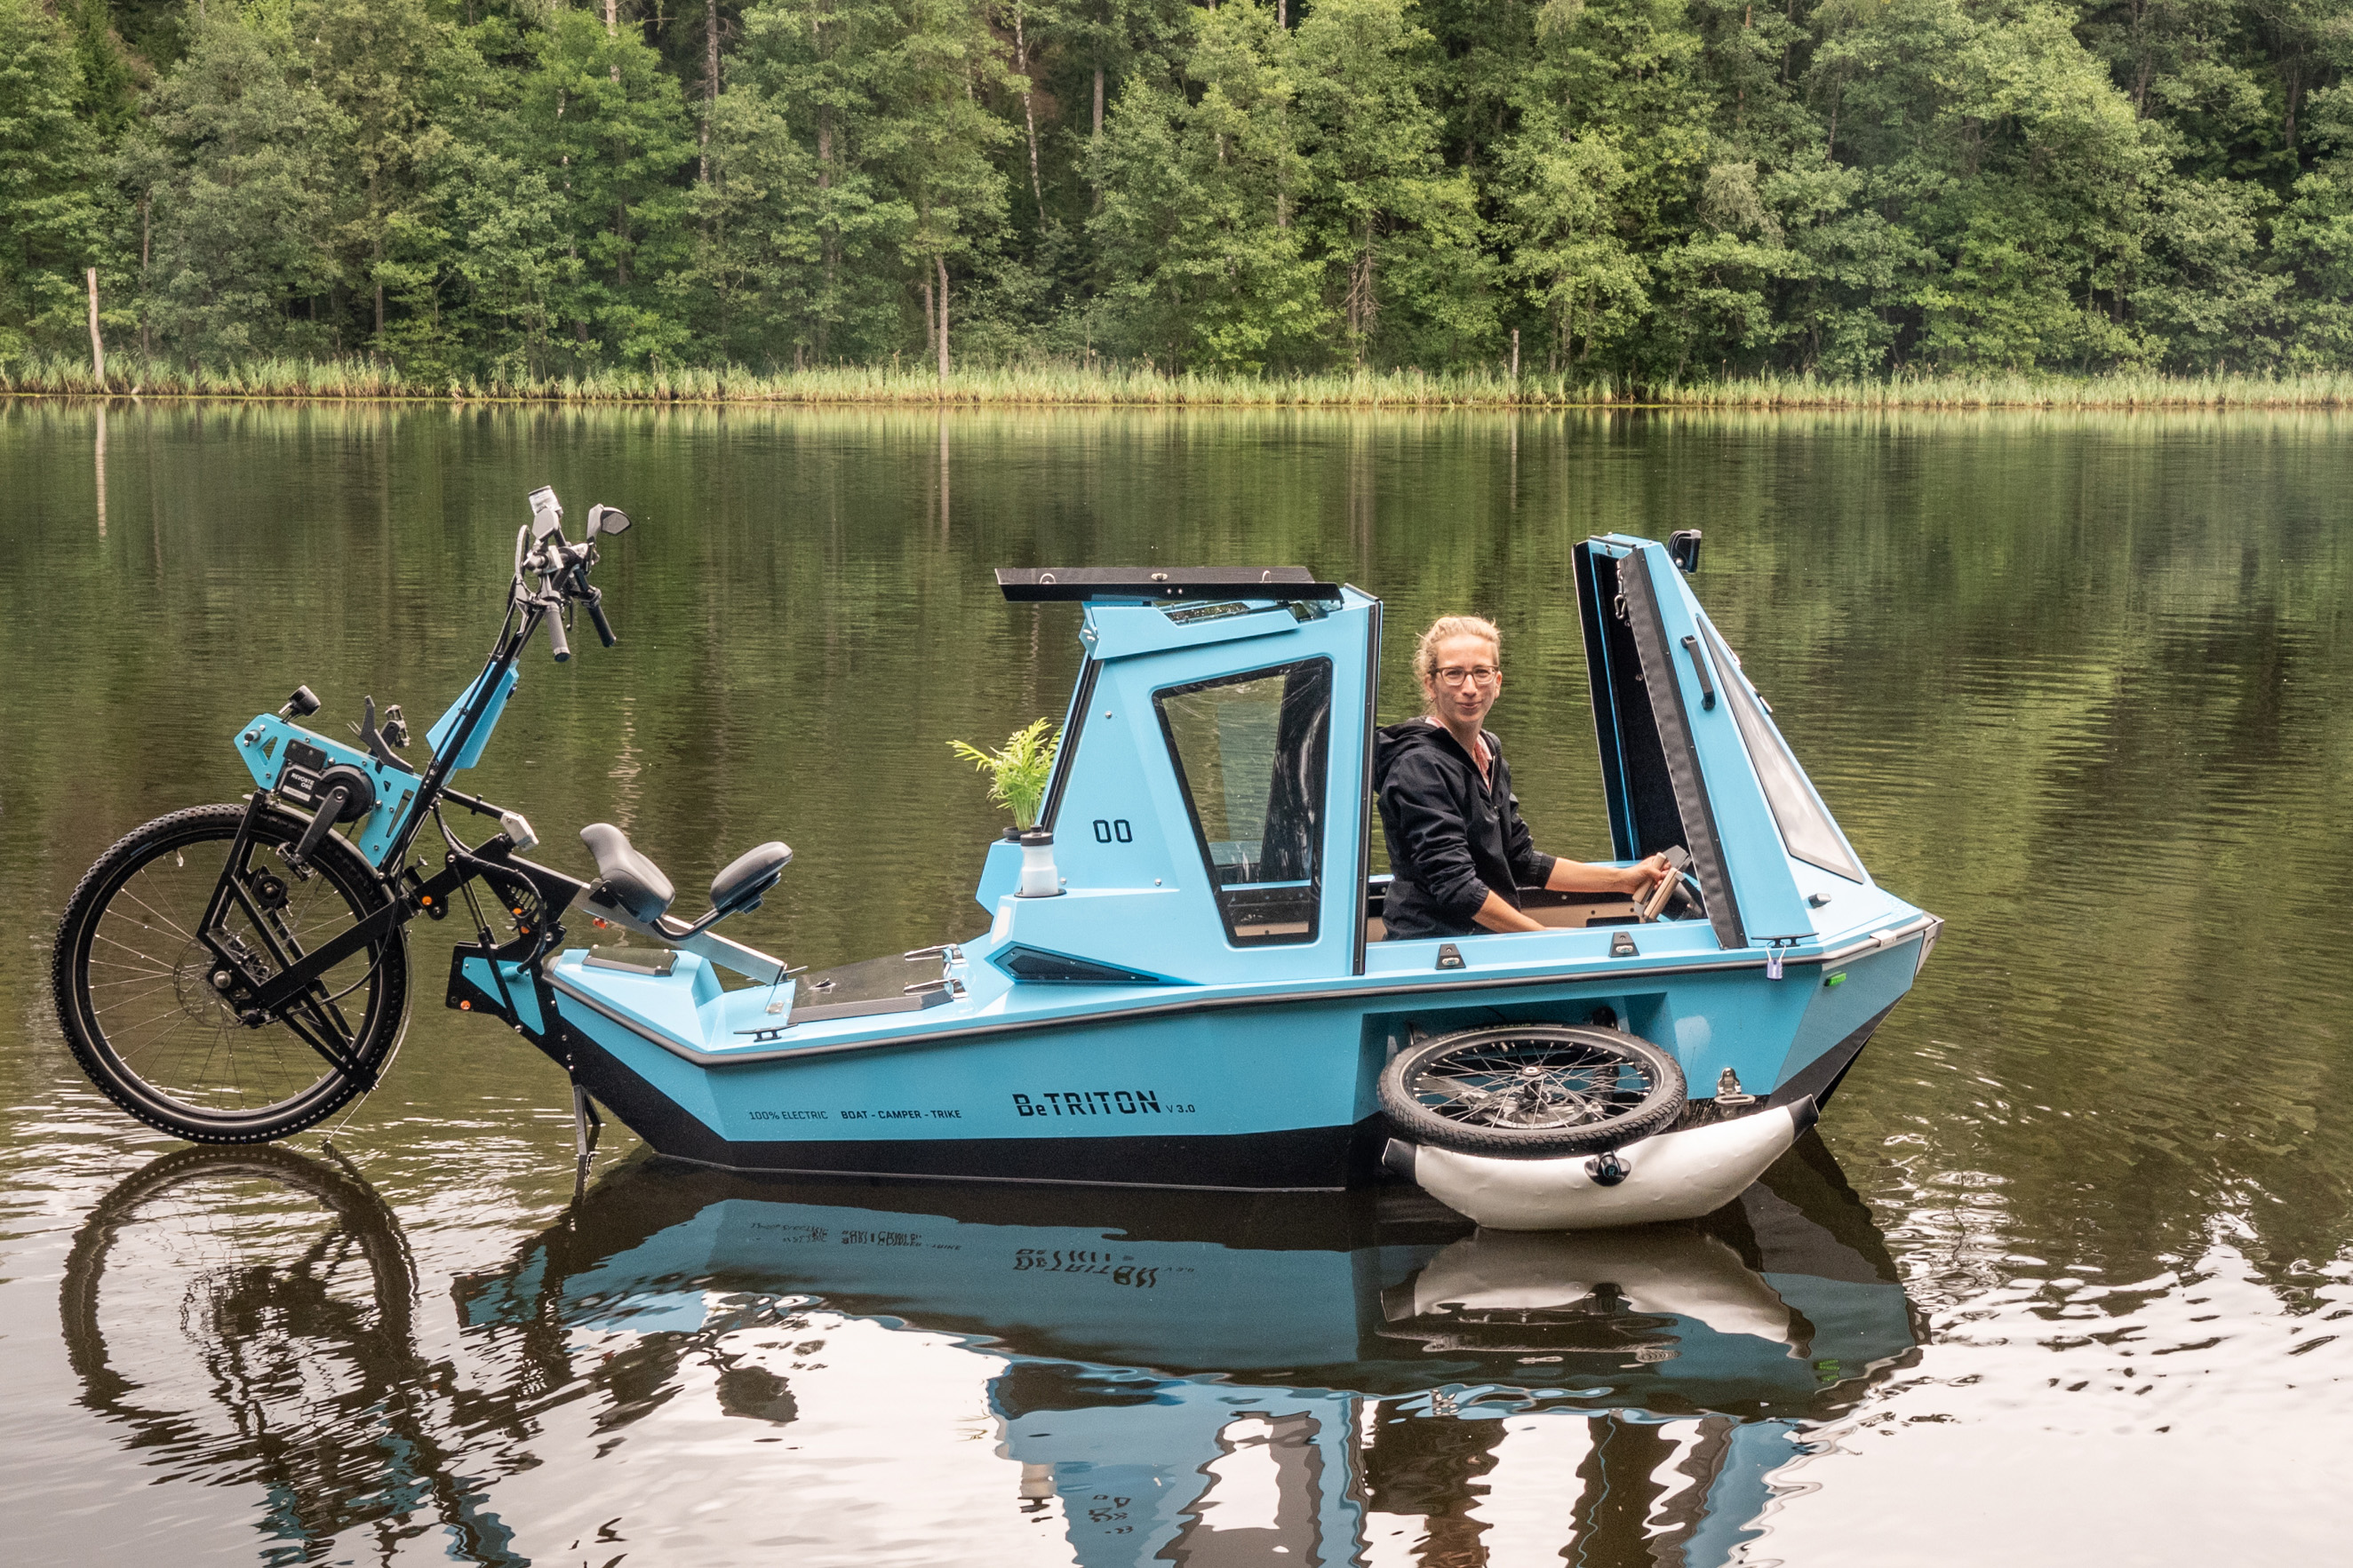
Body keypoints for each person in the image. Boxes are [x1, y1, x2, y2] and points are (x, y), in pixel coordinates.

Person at [1375, 614, 1671, 940]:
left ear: (1497, 682)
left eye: (1481, 673)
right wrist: (1541, 939)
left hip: (1482, 940)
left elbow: (1520, 860)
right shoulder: (1419, 766)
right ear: (1431, 684)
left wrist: (1624, 880)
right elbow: (1457, 887)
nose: (1470, 688)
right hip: (1436, 947)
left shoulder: (1488, 752)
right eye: (1454, 674)